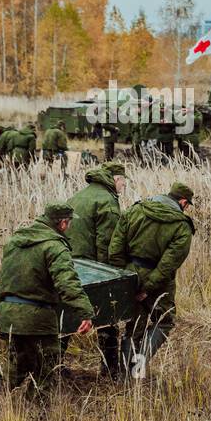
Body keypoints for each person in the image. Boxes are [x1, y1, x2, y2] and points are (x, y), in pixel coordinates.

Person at [0, 203, 95, 401]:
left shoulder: (15, 241)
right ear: (63, 223)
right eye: (69, 222)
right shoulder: (55, 247)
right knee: (48, 366)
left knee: (17, 367)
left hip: (10, 312)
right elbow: (67, 283)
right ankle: (37, 410)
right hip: (37, 316)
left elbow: (4, 277)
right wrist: (85, 313)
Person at [108, 181, 195, 379]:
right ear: (183, 202)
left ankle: (125, 376)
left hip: (130, 273)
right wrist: (147, 288)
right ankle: (137, 368)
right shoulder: (181, 225)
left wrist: (124, 277)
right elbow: (168, 264)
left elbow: (115, 248)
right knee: (164, 321)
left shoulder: (135, 210)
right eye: (187, 205)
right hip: (158, 281)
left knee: (134, 326)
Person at [66, 161, 127, 376]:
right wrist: (110, 278)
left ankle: (54, 365)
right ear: (116, 179)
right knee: (108, 316)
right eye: (123, 182)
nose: (124, 186)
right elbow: (107, 244)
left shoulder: (79, 195)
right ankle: (110, 370)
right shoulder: (107, 202)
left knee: (68, 313)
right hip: (91, 267)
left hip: (69, 262)